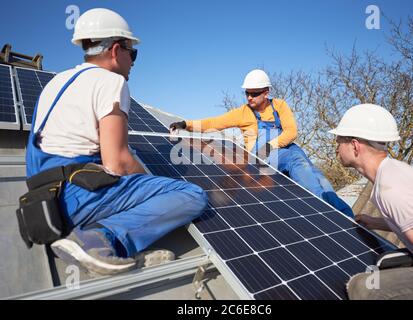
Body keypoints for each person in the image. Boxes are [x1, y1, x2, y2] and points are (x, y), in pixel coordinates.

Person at [25, 8, 208, 275]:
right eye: (132, 53)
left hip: (42, 204)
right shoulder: (111, 81)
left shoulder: (55, 82)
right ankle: (99, 239)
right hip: (75, 200)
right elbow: (118, 163)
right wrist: (148, 183)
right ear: (115, 50)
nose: (133, 61)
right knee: (192, 195)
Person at [170, 69, 353, 217]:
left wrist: (272, 144)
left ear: (266, 93)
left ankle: (350, 220)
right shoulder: (242, 112)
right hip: (260, 159)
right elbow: (214, 123)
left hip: (283, 151)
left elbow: (291, 132)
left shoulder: (279, 106)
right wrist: (185, 124)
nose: (249, 97)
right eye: (247, 93)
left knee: (320, 179)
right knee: (298, 162)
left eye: (254, 93)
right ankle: (323, 209)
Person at [329, 103, 413, 299]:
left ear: (354, 146)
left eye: (339, 141)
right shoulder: (392, 174)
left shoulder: (392, 187)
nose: (336, 148)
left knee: (364, 286)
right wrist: (375, 222)